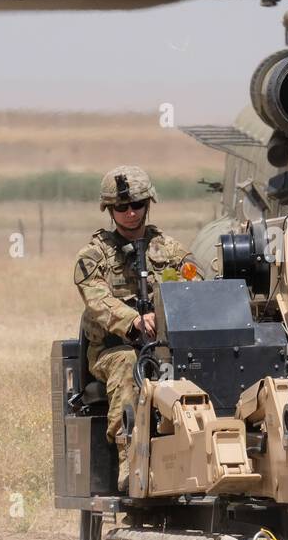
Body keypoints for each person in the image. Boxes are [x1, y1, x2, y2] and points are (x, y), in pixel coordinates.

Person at [73, 165, 200, 490]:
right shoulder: (94, 256)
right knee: (130, 366)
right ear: (109, 210)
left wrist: (168, 311)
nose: (130, 213)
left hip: (167, 347)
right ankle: (131, 461)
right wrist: (133, 321)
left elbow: (197, 287)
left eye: (137, 205)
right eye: (121, 207)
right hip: (113, 352)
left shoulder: (170, 251)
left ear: (148, 204)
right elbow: (97, 301)